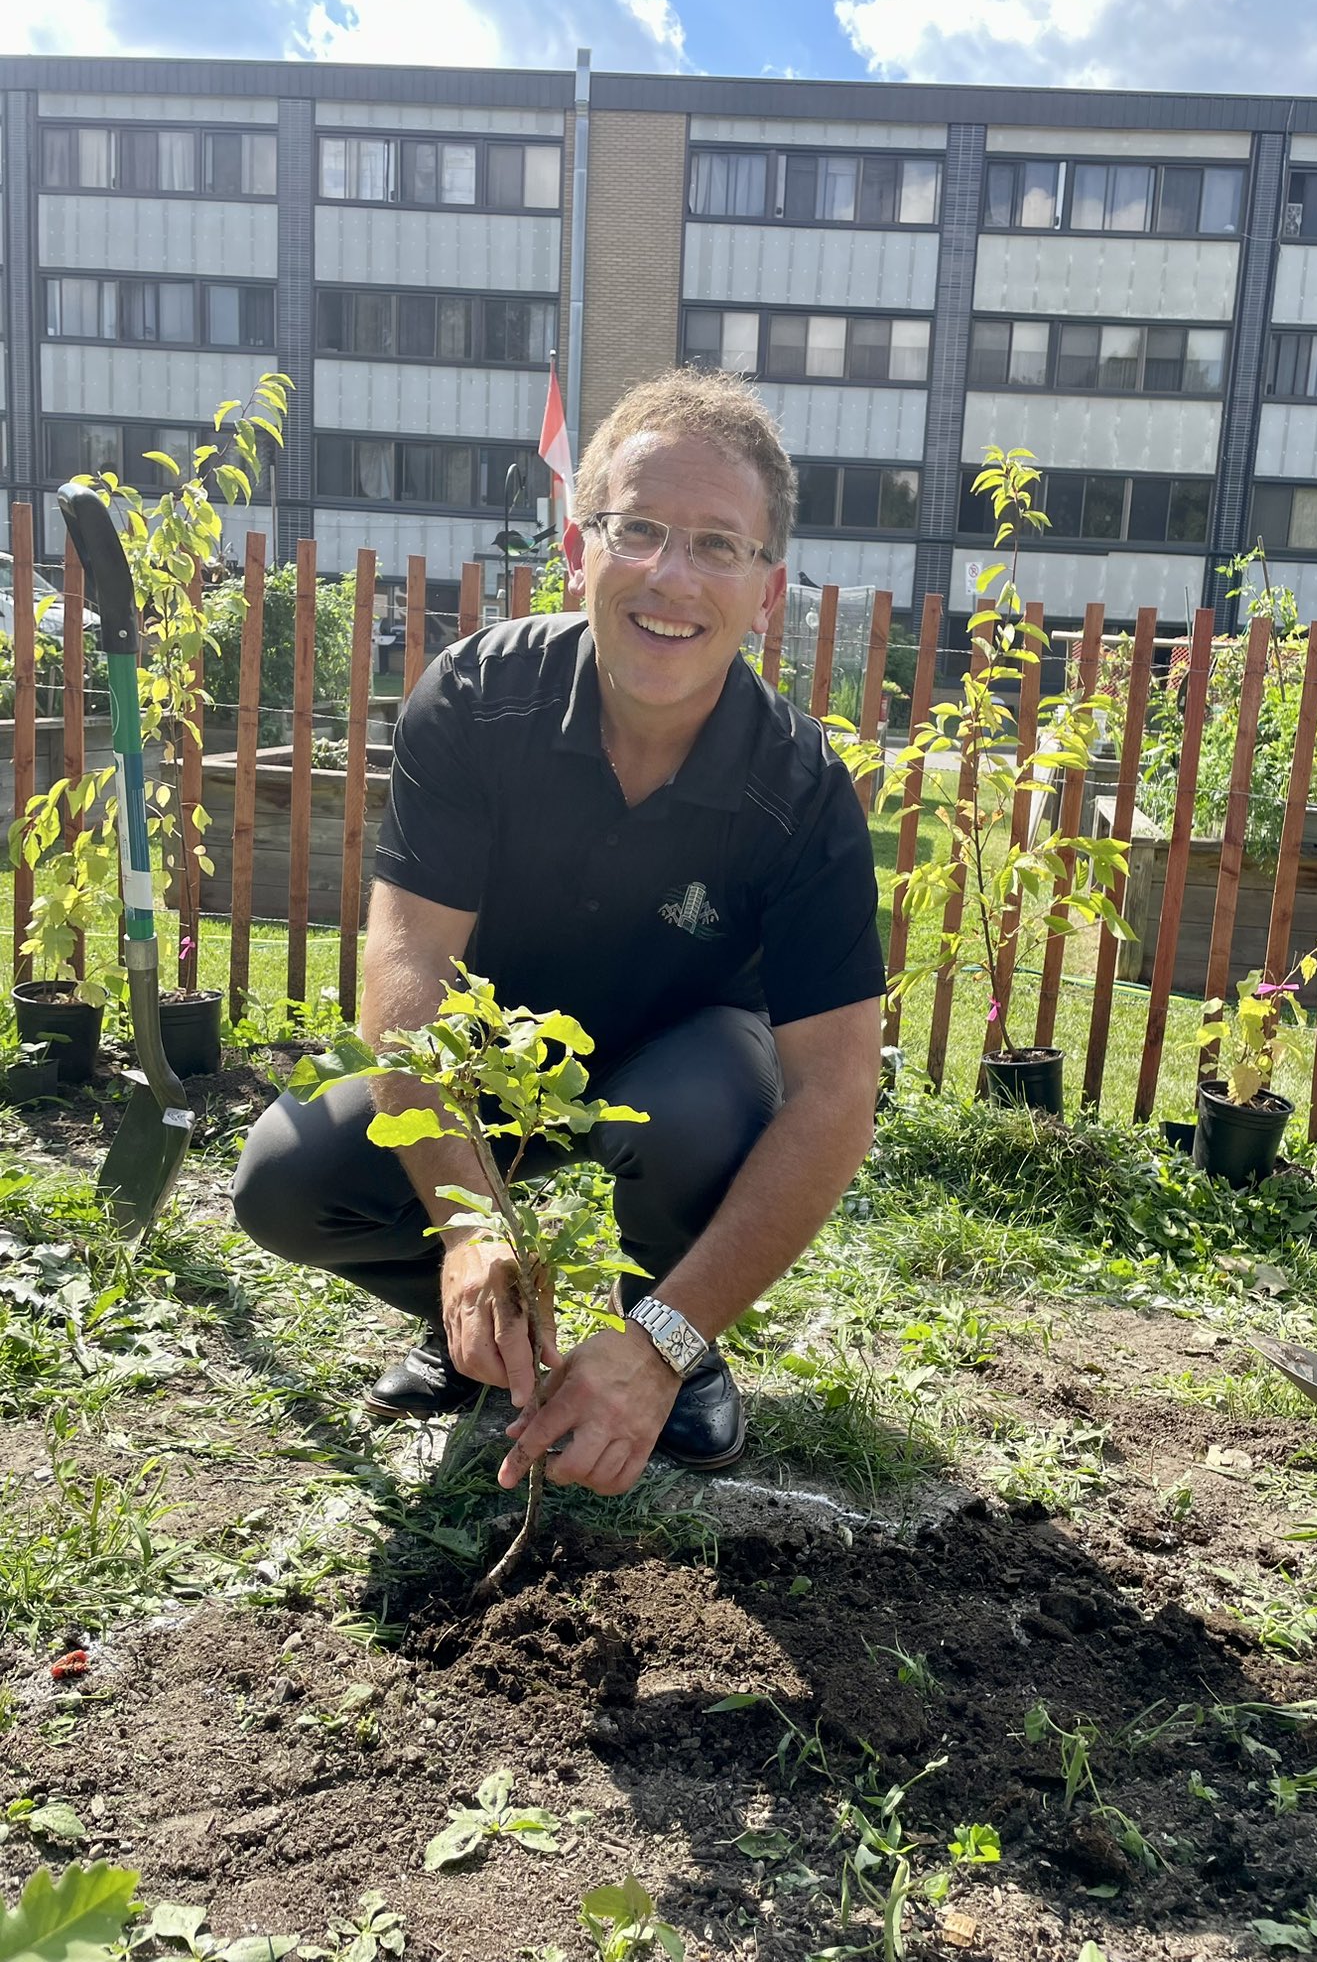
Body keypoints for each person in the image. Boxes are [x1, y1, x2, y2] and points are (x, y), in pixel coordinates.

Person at [232, 369, 884, 1500]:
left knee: (706, 1104)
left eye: (720, 545)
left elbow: (834, 1095)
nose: (671, 576)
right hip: (491, 1057)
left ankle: (670, 1350)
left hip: (681, 1066)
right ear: (579, 548)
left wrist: (665, 1337)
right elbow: (407, 967)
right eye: (637, 529)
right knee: (289, 1178)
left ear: (766, 592)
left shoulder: (801, 792)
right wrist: (473, 1227)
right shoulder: (477, 703)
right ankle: (485, 1326)